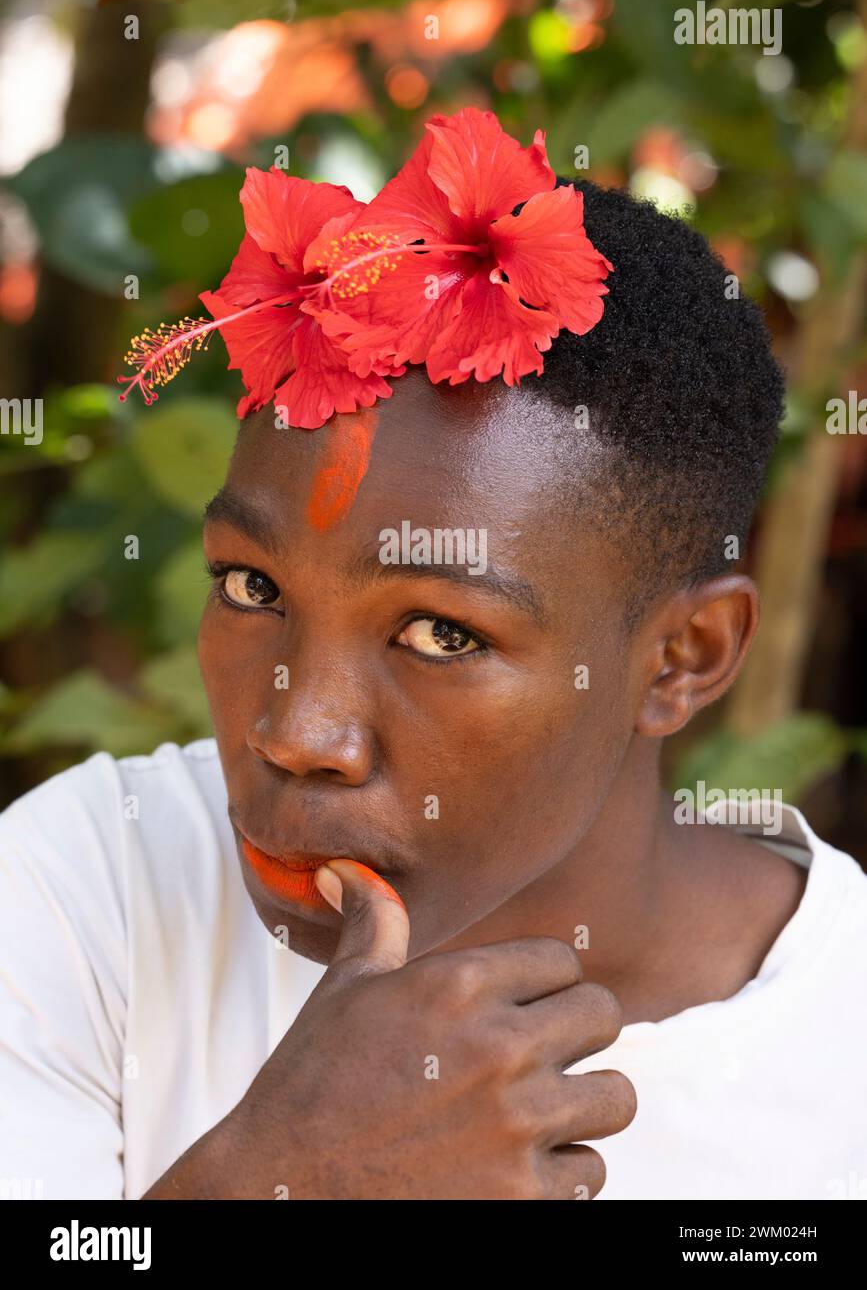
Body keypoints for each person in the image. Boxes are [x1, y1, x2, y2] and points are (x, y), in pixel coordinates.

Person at [2, 114, 865, 1201]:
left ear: (682, 659)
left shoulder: (841, 1052)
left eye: (442, 633)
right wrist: (287, 1176)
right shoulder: (89, 895)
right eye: (251, 586)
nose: (295, 733)